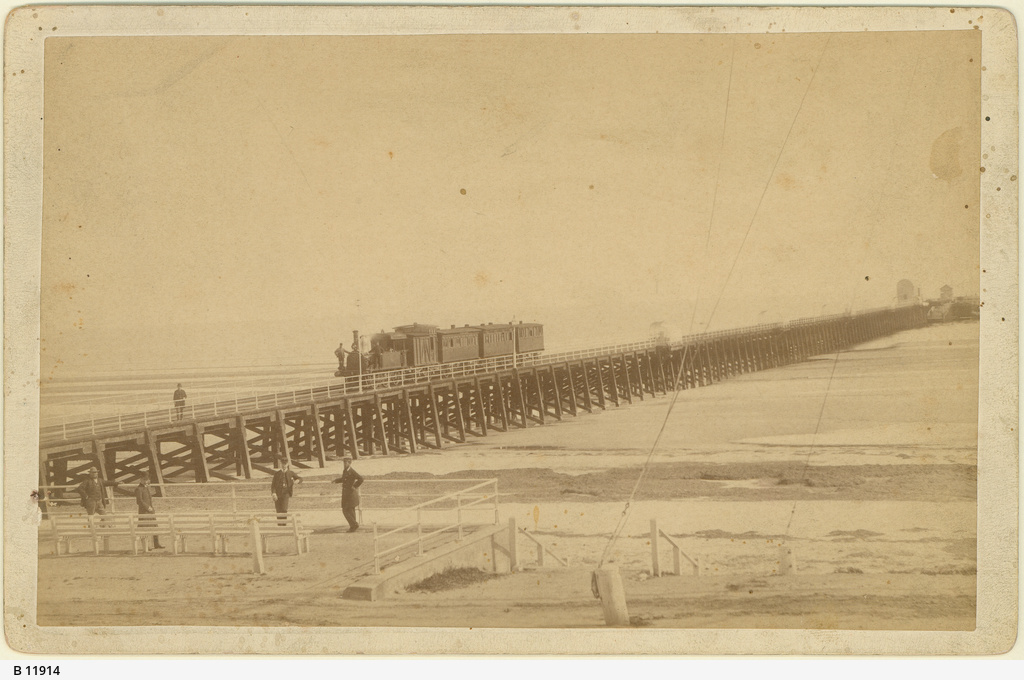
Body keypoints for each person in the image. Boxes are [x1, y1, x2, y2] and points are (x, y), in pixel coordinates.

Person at [332, 456, 364, 532]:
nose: (344, 464)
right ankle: (353, 527)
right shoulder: (345, 470)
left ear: (349, 463)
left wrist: (354, 486)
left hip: (350, 494)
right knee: (350, 510)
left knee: (346, 510)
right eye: (344, 462)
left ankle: (354, 525)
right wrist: (336, 481)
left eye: (346, 462)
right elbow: (344, 479)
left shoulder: (351, 471)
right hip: (347, 494)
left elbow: (361, 479)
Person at [134, 474, 164, 549]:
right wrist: (147, 507)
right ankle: (146, 546)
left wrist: (151, 509)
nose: (146, 481)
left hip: (150, 510)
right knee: (144, 528)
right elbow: (139, 501)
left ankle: (156, 544)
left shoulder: (146, 487)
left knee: (155, 526)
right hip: (144, 511)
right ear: (141, 480)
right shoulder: (139, 489)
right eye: (144, 480)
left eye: (147, 480)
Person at [270, 460, 302, 526]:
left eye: (285, 464)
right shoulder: (277, 474)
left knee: (284, 509)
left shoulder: (290, 473)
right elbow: (273, 485)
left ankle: (284, 525)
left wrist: (297, 481)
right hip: (278, 494)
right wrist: (274, 493)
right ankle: (280, 526)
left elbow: (300, 478)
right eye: (282, 464)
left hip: (286, 494)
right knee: (278, 510)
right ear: (281, 464)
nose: (284, 465)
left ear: (287, 464)